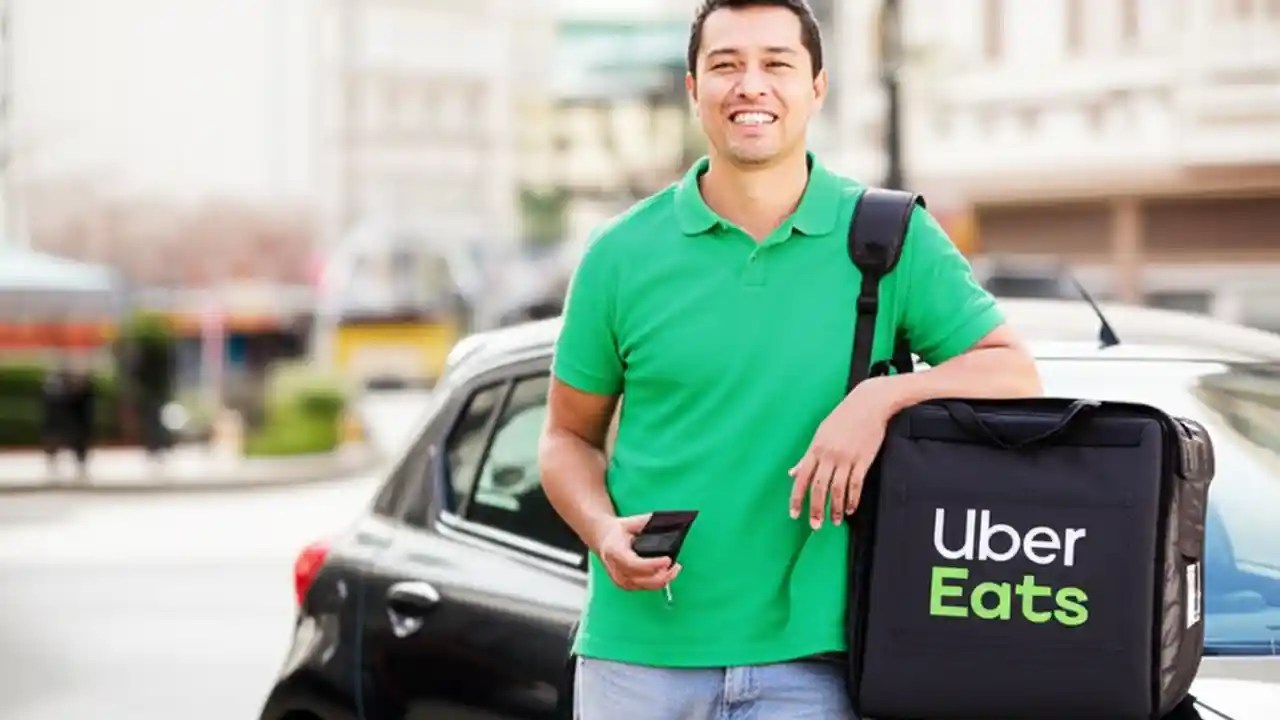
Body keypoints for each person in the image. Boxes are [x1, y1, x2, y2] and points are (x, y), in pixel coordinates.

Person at [537, 1, 1043, 717]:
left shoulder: (890, 238)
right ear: (693, 89)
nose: (751, 85)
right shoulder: (619, 255)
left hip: (817, 666)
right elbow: (565, 437)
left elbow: (1014, 375)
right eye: (725, 65)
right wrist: (599, 531)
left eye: (777, 63)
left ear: (817, 88)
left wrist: (880, 399)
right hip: (638, 661)